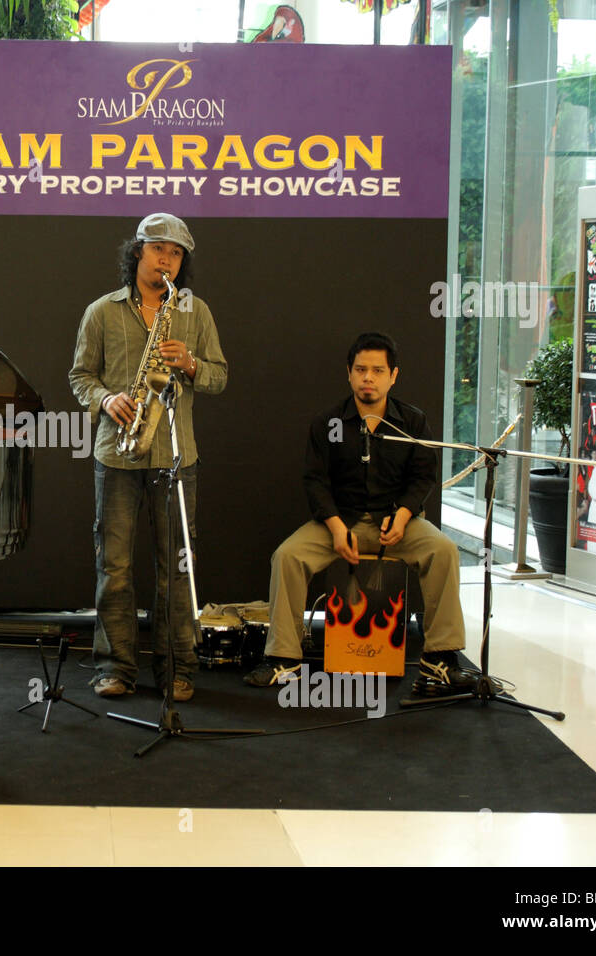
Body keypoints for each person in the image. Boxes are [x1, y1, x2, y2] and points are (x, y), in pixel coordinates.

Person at [245, 331, 473, 691]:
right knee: (287, 556)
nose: (368, 378)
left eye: (378, 371)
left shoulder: (412, 422)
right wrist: (335, 528)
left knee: (443, 550)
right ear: (348, 373)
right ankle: (283, 660)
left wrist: (402, 517)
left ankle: (438, 659)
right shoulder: (328, 423)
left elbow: (422, 477)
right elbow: (315, 481)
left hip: (396, 523)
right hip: (342, 521)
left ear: (393, 375)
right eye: (361, 369)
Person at [69, 213, 228, 700]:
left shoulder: (194, 312)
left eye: (176, 253)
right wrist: (105, 399)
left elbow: (219, 377)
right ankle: (116, 667)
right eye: (158, 248)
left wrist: (191, 363)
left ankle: (178, 669)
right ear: (137, 252)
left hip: (176, 457)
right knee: (114, 567)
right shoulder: (101, 311)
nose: (166, 259)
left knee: (176, 569)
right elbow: (80, 378)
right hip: (117, 455)